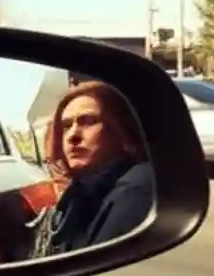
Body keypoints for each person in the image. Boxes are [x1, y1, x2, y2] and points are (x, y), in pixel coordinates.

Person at [29, 80, 156, 259]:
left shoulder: (135, 189)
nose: (73, 135)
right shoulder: (81, 193)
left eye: (88, 121)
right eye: (66, 126)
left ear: (120, 129)